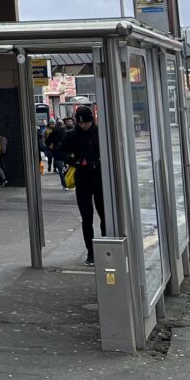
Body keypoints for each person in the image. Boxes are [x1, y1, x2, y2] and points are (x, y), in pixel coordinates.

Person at [63, 105, 107, 266]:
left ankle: (106, 248)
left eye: (86, 123)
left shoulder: (100, 132)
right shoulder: (72, 135)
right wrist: (74, 161)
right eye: (80, 123)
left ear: (91, 121)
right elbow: (62, 152)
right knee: (86, 218)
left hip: (100, 178)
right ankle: (91, 252)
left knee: (104, 215)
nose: (83, 126)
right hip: (82, 178)